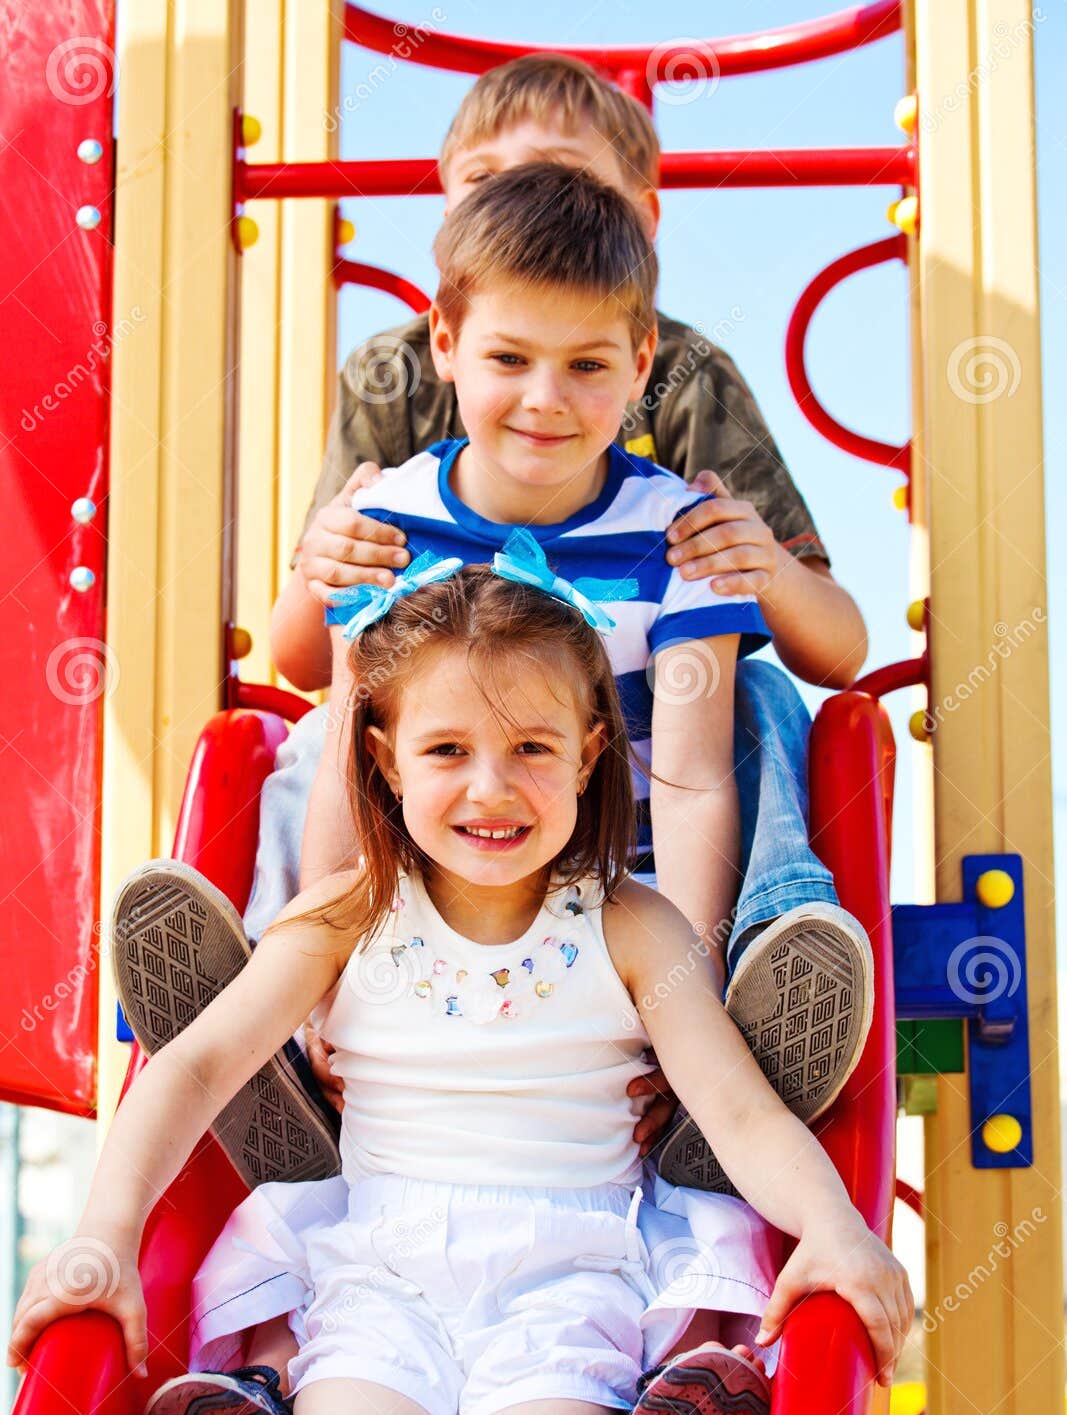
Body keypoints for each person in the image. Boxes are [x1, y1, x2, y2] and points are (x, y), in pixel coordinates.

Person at [9, 565, 913, 1415]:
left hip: (567, 1284)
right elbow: (198, 1064)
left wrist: (838, 1228)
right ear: (386, 762)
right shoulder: (342, 919)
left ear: (590, 752)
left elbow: (742, 1112)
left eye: (531, 747)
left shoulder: (629, 927)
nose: (491, 788)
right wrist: (104, 1235)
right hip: (379, 1279)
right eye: (446, 751)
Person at [112, 54, 873, 1202]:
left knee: (763, 701)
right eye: (483, 184)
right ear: (448, 339)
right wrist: (320, 562)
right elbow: (318, 664)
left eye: (584, 368)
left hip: (627, 766)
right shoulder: (396, 443)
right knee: (302, 747)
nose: (545, 396)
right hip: (435, 773)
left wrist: (753, 564)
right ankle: (268, 1000)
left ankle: (760, 975)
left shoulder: (681, 438)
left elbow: (809, 667)